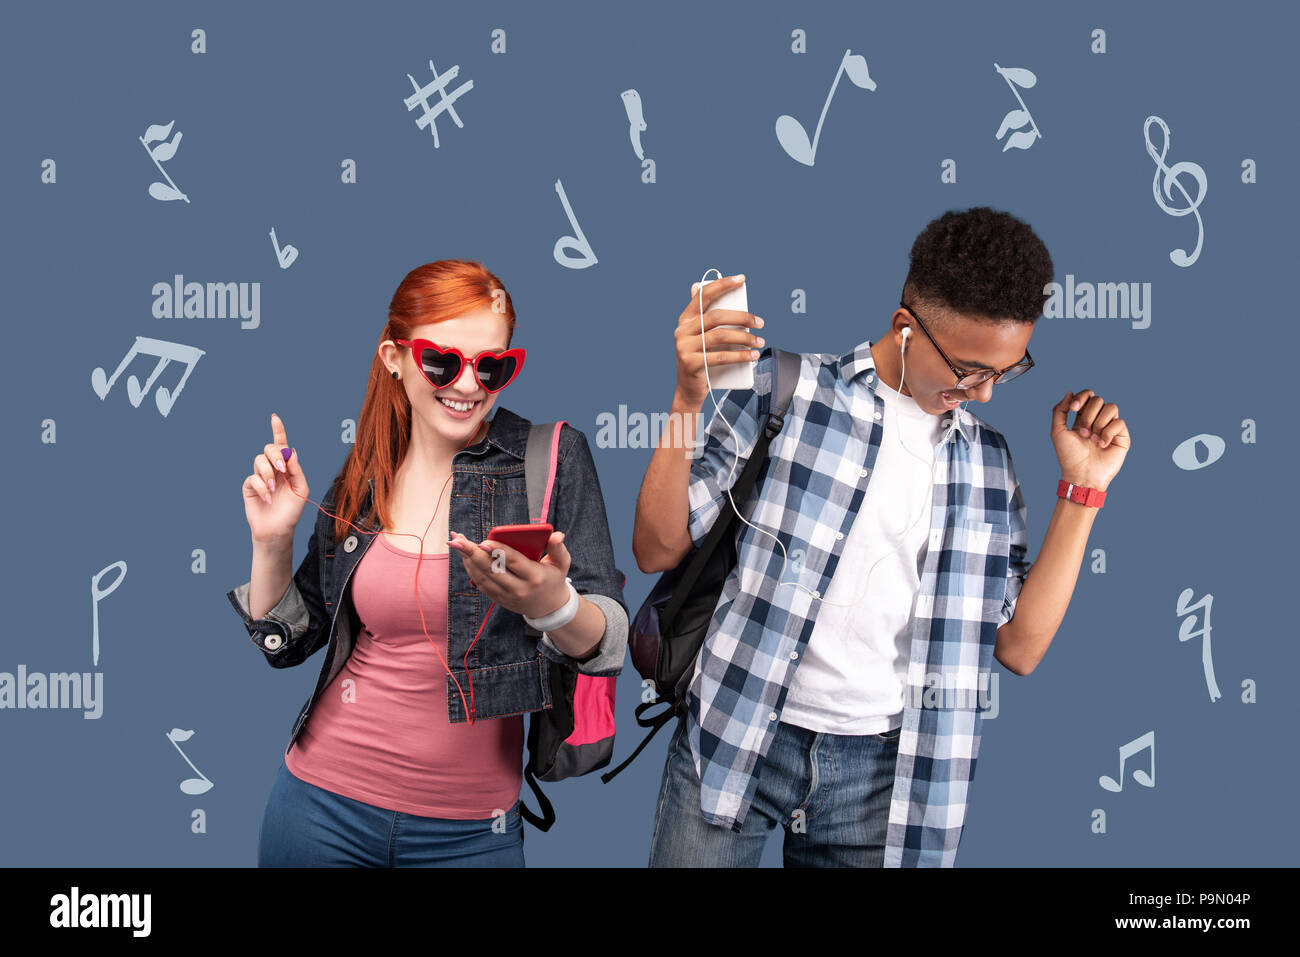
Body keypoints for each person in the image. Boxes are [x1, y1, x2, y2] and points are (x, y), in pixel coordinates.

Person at [634, 207, 1131, 867]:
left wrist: (1084, 488)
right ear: (905, 328)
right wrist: (686, 400)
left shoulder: (988, 463)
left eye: (1005, 372)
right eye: (972, 369)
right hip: (738, 730)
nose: (983, 394)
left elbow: (1019, 646)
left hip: (886, 780)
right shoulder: (787, 392)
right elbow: (656, 549)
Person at [226, 259, 628, 867]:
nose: (467, 385)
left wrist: (555, 606)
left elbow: (609, 638)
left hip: (471, 831)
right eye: (442, 362)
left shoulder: (549, 459)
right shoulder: (366, 476)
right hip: (321, 805)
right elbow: (287, 642)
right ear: (394, 357)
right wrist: (271, 541)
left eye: (492, 366)